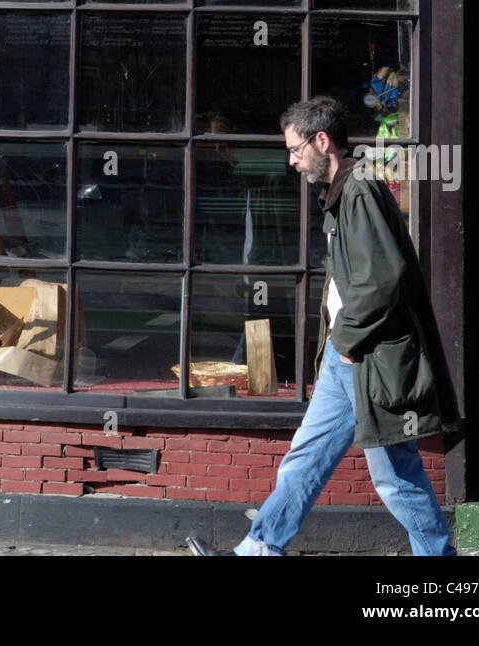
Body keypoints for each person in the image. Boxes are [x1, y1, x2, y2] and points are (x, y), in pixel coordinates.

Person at [187, 95, 459, 557]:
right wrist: (340, 342)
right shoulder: (341, 191)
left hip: (369, 358)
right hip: (346, 357)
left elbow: (382, 278)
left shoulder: (359, 189)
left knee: (396, 478)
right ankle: (258, 549)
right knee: (305, 460)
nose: (291, 161)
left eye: (295, 149)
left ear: (322, 140)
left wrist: (348, 339)